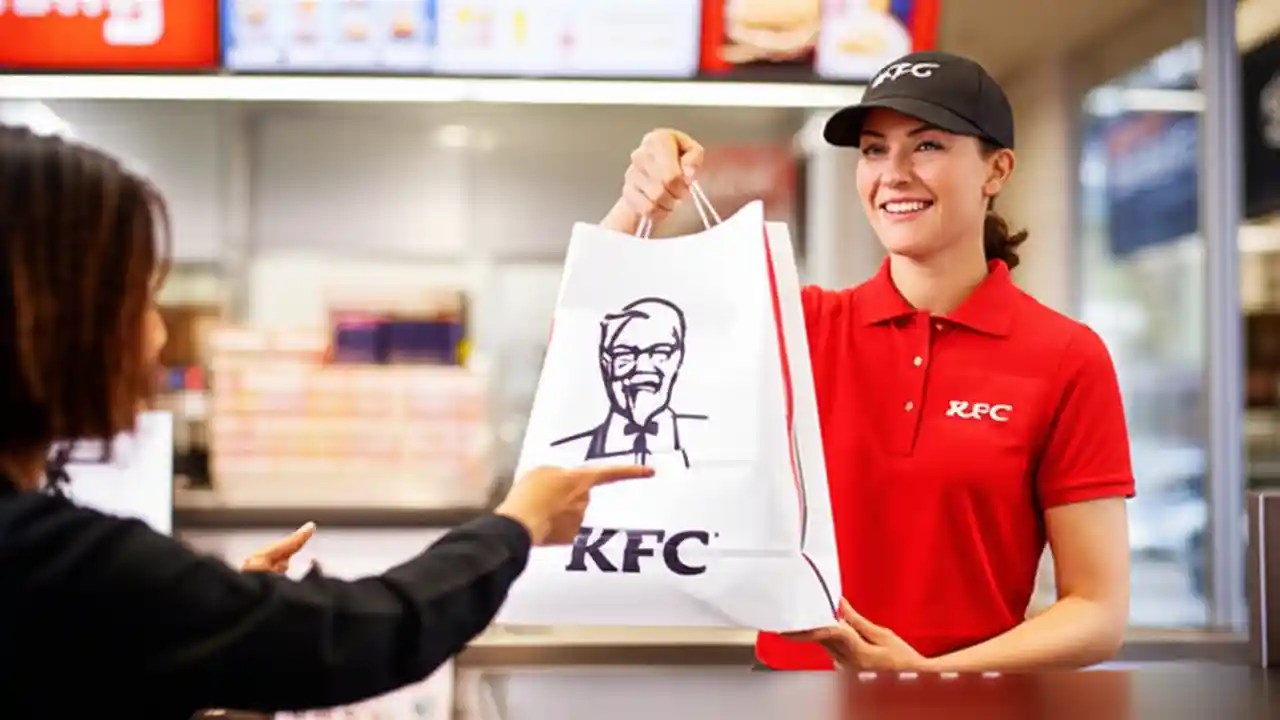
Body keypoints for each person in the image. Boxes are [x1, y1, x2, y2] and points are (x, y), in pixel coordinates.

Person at [0, 124, 653, 717]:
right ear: (47, 320)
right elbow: (350, 635)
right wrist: (517, 525)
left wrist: (207, 631)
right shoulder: (51, 557)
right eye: (138, 302)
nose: (157, 337)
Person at [602, 50, 1134, 672]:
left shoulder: (1066, 357)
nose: (894, 173)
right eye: (875, 150)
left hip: (966, 709)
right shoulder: (797, 327)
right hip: (792, 703)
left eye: (928, 146)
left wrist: (928, 676)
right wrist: (639, 204)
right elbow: (592, 349)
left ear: (997, 169)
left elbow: (1097, 609)